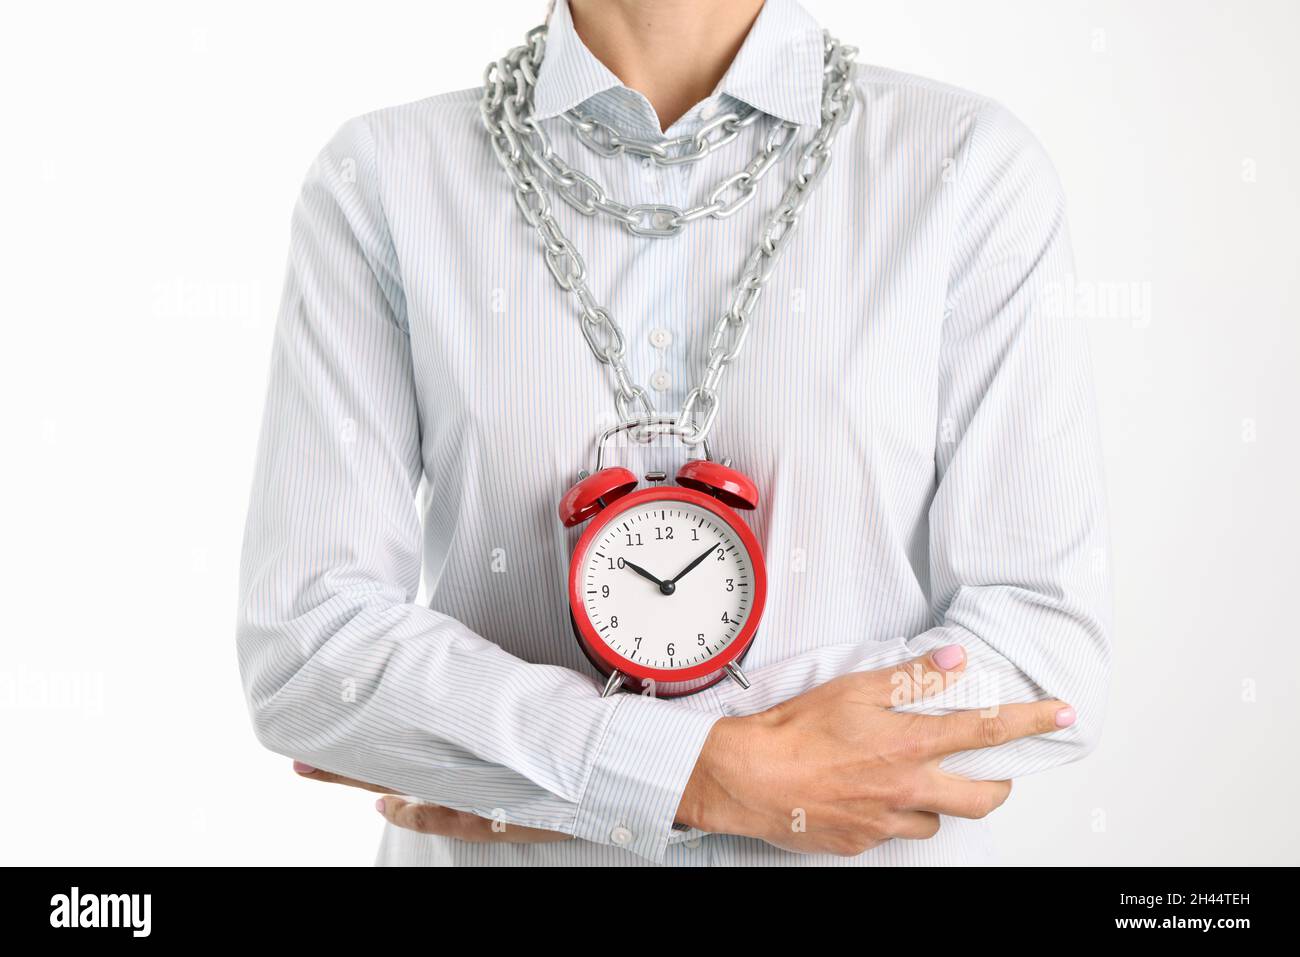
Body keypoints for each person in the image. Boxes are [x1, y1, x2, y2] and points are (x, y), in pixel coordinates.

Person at [237, 0, 1112, 866]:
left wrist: (544, 764)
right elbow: (311, 648)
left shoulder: (966, 169)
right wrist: (702, 776)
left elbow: (1039, 658)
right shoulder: (385, 180)